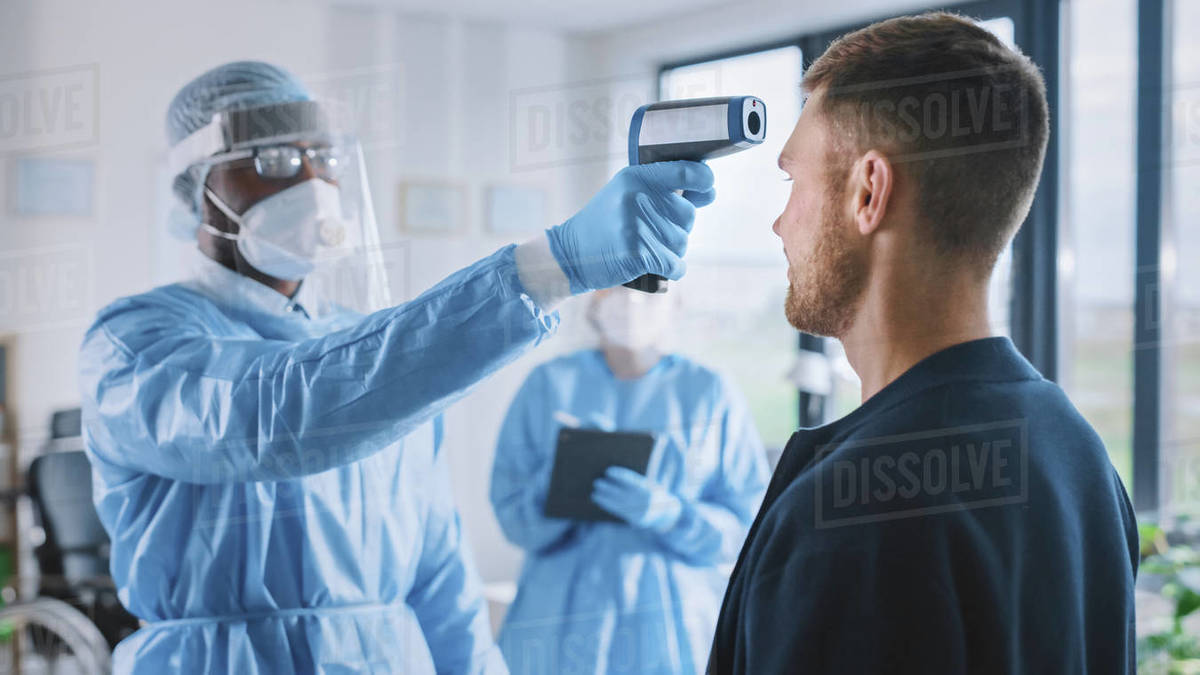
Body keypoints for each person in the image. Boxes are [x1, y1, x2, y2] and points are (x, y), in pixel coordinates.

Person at [78, 61, 715, 673]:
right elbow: (278, 412)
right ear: (195, 187)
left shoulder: (375, 353)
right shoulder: (135, 345)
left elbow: (439, 575)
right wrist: (549, 267)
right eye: (273, 160)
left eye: (322, 158)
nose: (309, 182)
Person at [708, 12, 1137, 675]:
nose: (777, 222)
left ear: (869, 192)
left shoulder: (852, 512)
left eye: (793, 181)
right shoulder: (1077, 456)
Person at [491, 286, 769, 675]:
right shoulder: (549, 385)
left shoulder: (709, 392)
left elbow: (749, 527)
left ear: (677, 302)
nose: (633, 301)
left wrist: (674, 516)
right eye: (619, 288)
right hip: (557, 618)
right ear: (593, 301)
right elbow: (511, 514)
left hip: (669, 625)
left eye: (651, 289)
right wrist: (559, 489)